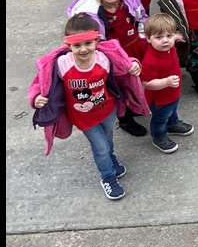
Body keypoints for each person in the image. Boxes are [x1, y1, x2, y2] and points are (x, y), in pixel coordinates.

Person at [28, 14, 148, 201]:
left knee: (107, 140)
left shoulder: (104, 59)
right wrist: (36, 97)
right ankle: (107, 177)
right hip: (83, 117)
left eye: (88, 43)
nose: (83, 49)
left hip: (108, 110)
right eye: (77, 45)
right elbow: (41, 81)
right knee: (100, 147)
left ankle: (111, 158)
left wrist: (134, 65)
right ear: (68, 45)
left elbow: (124, 68)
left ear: (97, 40)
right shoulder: (62, 64)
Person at [67, 0, 150, 138]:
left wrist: (144, 35)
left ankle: (134, 105)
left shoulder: (130, 0)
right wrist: (116, 59)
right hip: (114, 57)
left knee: (136, 80)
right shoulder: (92, 15)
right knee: (120, 87)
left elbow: (142, 17)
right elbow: (96, 41)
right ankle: (125, 119)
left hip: (135, 46)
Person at [139, 13, 196, 154]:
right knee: (159, 119)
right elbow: (148, 83)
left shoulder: (168, 47)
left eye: (169, 36)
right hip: (160, 100)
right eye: (159, 37)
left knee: (172, 111)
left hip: (173, 93)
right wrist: (165, 82)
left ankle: (172, 124)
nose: (165, 41)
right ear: (148, 39)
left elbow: (170, 37)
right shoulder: (150, 61)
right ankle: (158, 137)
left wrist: (176, 36)